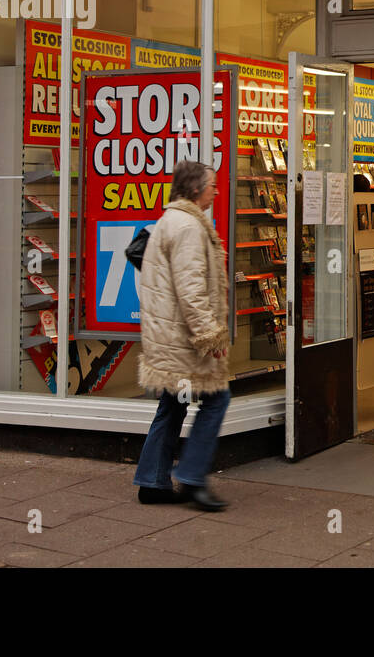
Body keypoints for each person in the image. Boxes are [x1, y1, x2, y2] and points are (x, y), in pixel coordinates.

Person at [133, 160, 232, 511]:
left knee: (172, 405)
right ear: (195, 189)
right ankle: (191, 477)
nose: (216, 192)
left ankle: (152, 481)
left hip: (168, 335)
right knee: (217, 399)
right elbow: (191, 289)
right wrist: (210, 335)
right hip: (183, 340)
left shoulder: (170, 220)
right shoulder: (189, 226)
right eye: (212, 186)